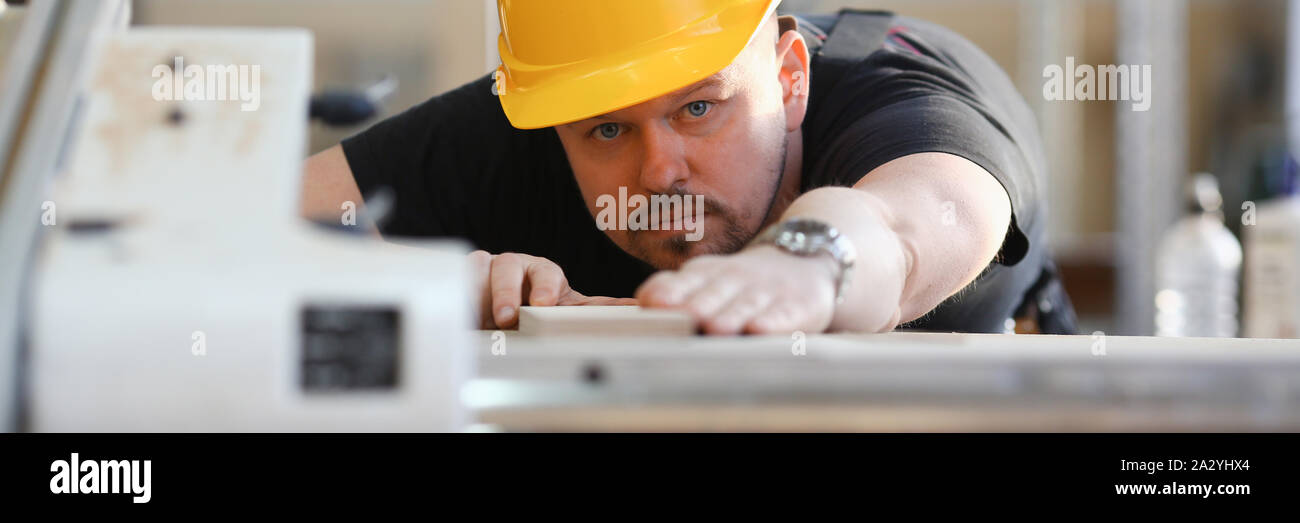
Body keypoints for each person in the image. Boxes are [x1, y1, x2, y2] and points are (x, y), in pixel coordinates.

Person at [301, 0, 1077, 335]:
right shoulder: (541, 114)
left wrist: (808, 261)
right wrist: (412, 285)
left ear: (789, 78)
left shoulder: (905, 97)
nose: (658, 172)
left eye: (697, 109)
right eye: (607, 129)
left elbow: (915, 223)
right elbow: (225, 230)